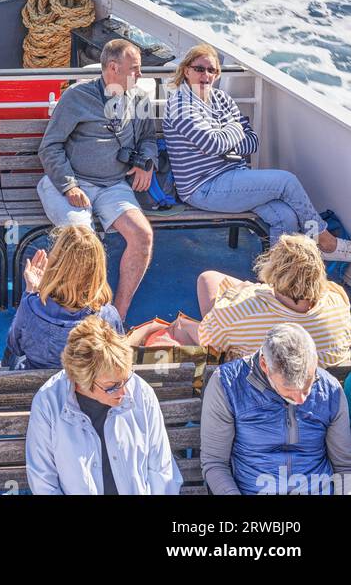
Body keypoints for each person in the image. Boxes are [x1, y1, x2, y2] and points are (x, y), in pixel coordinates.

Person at [163, 43, 351, 260]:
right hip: (203, 187)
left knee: (286, 217)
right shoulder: (180, 104)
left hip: (235, 178)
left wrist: (225, 137)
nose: (206, 75)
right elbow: (212, 144)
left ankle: (276, 279)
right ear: (186, 70)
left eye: (212, 70)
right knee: (286, 181)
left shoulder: (221, 99)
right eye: (199, 69)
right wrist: (233, 128)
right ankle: (324, 240)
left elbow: (252, 142)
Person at [37, 38, 157, 321]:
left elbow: (148, 139)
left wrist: (146, 164)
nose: (140, 76)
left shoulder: (138, 99)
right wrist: (70, 185)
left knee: (143, 236)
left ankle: (117, 315)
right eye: (135, 69)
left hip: (114, 186)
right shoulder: (77, 97)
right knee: (84, 240)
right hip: (69, 183)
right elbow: (50, 146)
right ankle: (82, 314)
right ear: (113, 67)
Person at [25, 315, 182, 495]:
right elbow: (44, 483)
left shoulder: (141, 392)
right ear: (81, 380)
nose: (123, 392)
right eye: (112, 387)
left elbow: (162, 470)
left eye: (125, 379)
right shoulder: (48, 403)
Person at [201, 323, 351, 495]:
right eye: (289, 389)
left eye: (308, 385)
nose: (301, 399)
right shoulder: (227, 385)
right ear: (265, 365)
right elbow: (215, 463)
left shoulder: (330, 389)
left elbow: (344, 466)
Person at [170, 234, 351, 367]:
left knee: (182, 325)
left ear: (274, 271)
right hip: (314, 392)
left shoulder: (240, 313)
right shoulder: (338, 303)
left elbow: (209, 341)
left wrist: (240, 295)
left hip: (258, 389)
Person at [3, 225, 124, 370]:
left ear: (56, 262)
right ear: (98, 269)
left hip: (39, 389)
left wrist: (30, 292)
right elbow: (117, 358)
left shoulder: (31, 306)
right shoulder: (108, 315)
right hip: (86, 389)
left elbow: (14, 346)